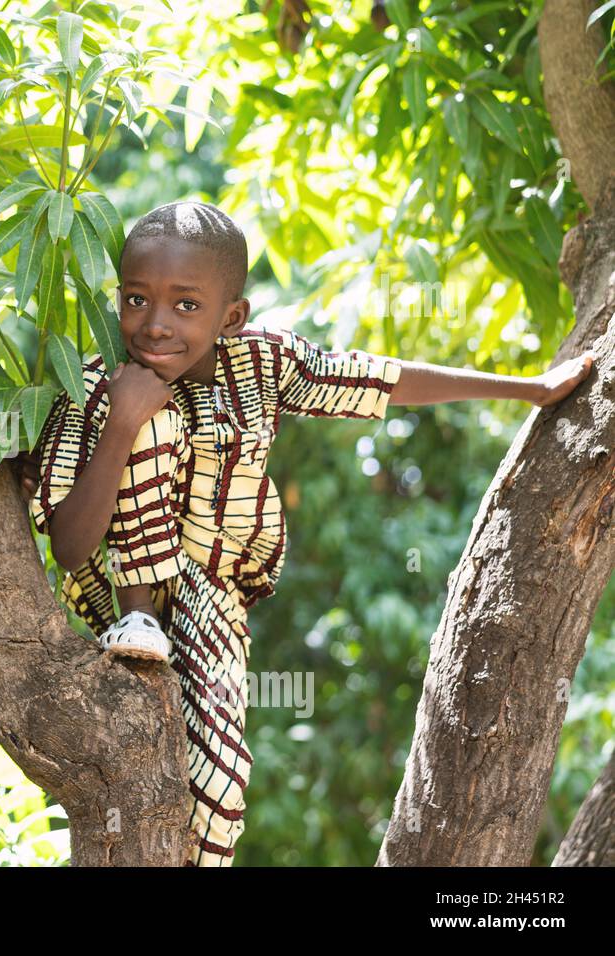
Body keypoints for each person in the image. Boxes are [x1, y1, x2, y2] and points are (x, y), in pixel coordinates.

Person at [30, 200, 596, 866]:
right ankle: (138, 618)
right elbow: (67, 548)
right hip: (117, 592)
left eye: (186, 306)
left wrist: (528, 390)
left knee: (222, 791)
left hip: (210, 593)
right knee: (147, 413)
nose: (155, 325)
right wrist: (123, 424)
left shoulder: (264, 363)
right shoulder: (94, 385)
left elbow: (379, 380)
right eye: (135, 299)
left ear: (231, 317)